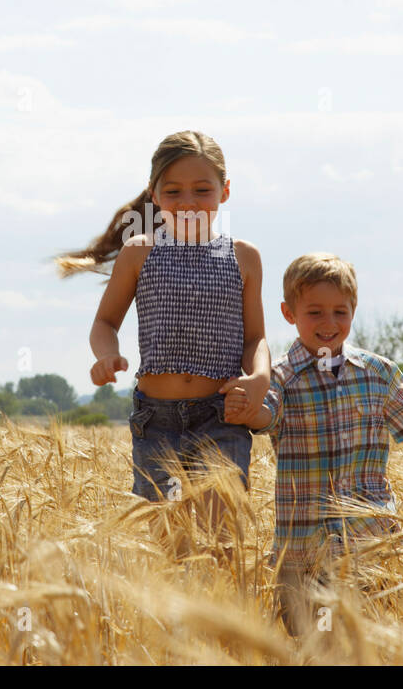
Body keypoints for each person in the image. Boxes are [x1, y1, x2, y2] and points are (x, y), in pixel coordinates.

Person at [230, 252, 403, 634]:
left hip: (371, 542)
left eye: (340, 312)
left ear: (353, 311)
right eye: (315, 312)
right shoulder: (280, 377)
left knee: (371, 639)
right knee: (310, 645)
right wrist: (247, 411)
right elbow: (267, 415)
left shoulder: (377, 372)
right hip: (302, 549)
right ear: (289, 313)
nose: (329, 323)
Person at [56, 130, 270, 555]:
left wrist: (260, 377)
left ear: (225, 192)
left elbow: (255, 337)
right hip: (157, 423)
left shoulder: (243, 256)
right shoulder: (140, 252)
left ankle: (224, 619)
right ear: (154, 194)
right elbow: (104, 321)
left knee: (222, 545)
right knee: (170, 551)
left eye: (202, 189)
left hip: (220, 418)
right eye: (173, 191)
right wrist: (106, 355)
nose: (188, 200)